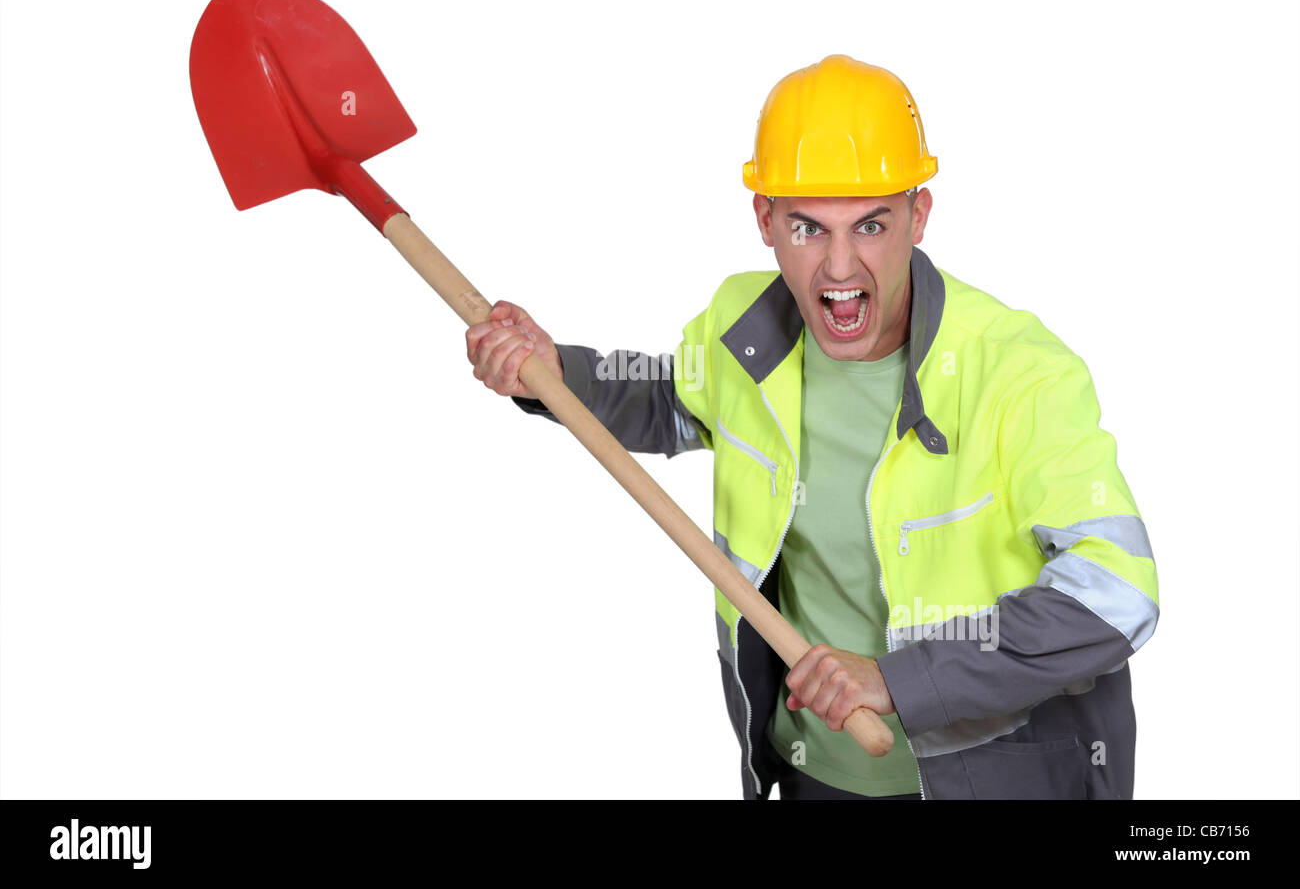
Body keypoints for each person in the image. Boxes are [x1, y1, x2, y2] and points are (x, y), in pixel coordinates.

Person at [464, 55, 1159, 800]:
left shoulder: (1018, 373)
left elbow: (1116, 593)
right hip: (813, 772)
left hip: (991, 781)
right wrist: (555, 372)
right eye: (805, 227)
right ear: (764, 220)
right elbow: (672, 398)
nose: (838, 265)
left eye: (870, 225)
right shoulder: (743, 330)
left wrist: (900, 679)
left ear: (918, 216)